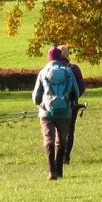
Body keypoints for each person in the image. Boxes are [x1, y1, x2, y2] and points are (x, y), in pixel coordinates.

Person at [32, 46, 80, 179]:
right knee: (62, 140)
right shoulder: (68, 72)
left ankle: (51, 171)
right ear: (60, 58)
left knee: (49, 139)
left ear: (48, 58)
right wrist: (71, 103)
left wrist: (40, 104)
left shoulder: (43, 72)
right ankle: (59, 170)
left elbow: (36, 96)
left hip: (46, 112)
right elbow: (76, 92)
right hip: (65, 112)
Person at [57, 45, 87, 163]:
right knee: (69, 130)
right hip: (71, 104)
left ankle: (57, 155)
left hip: (54, 104)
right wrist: (75, 98)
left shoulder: (50, 68)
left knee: (57, 130)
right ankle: (66, 156)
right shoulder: (74, 68)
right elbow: (82, 88)